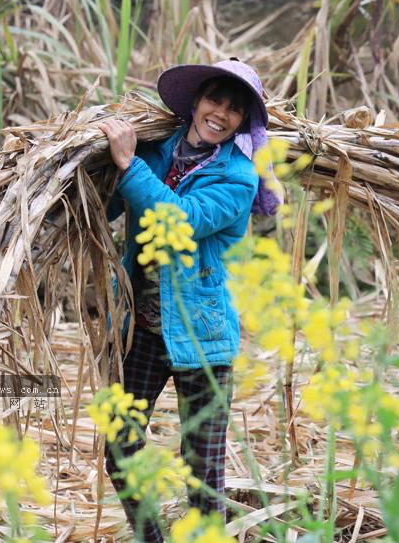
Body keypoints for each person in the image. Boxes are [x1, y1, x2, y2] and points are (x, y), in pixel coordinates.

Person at [100, 59, 280, 542]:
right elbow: (112, 203)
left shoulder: (238, 178)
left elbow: (179, 219)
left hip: (202, 335)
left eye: (234, 110)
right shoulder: (158, 151)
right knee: (119, 451)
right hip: (143, 329)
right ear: (197, 103)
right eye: (214, 101)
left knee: (203, 475)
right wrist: (107, 164)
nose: (220, 114)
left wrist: (127, 164)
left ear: (243, 123)